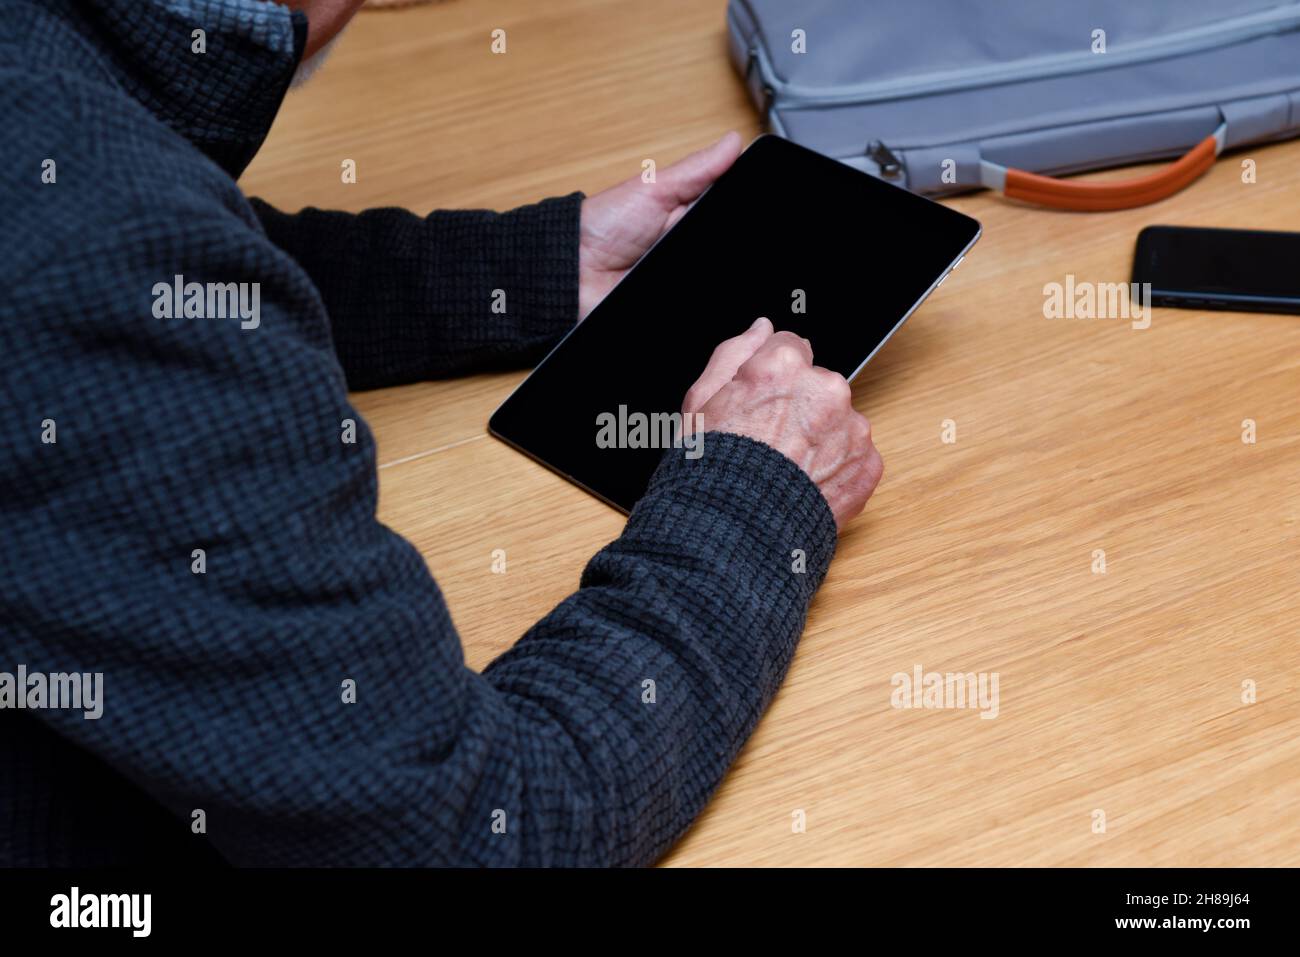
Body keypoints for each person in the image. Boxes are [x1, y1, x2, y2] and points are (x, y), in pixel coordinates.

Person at [0, 0, 882, 866]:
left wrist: (532, 271)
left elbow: (155, 234)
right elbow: (475, 828)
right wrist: (753, 495)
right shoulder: (91, 246)